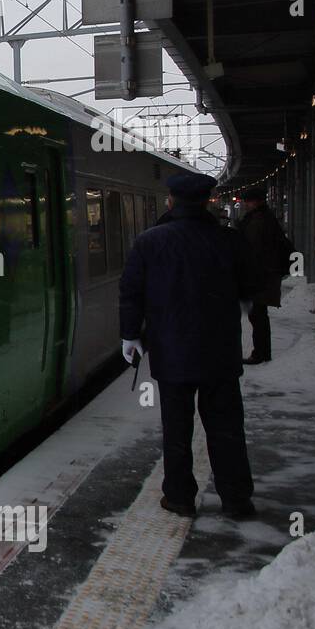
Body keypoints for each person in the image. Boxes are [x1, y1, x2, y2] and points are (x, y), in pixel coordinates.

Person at [118, 173, 258, 519]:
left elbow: (131, 293)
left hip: (172, 352)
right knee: (226, 428)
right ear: (208, 201)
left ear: (171, 201)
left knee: (177, 429)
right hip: (220, 354)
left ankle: (179, 497)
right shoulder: (228, 239)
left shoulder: (149, 242)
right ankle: (236, 499)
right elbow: (249, 286)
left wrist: (130, 335)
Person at [237, 189, 293, 364]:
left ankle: (260, 353)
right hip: (265, 275)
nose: (245, 204)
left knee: (258, 316)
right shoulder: (264, 218)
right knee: (258, 315)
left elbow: (251, 250)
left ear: (256, 202)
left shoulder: (258, 221)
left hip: (260, 277)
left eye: (248, 201)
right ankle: (261, 352)